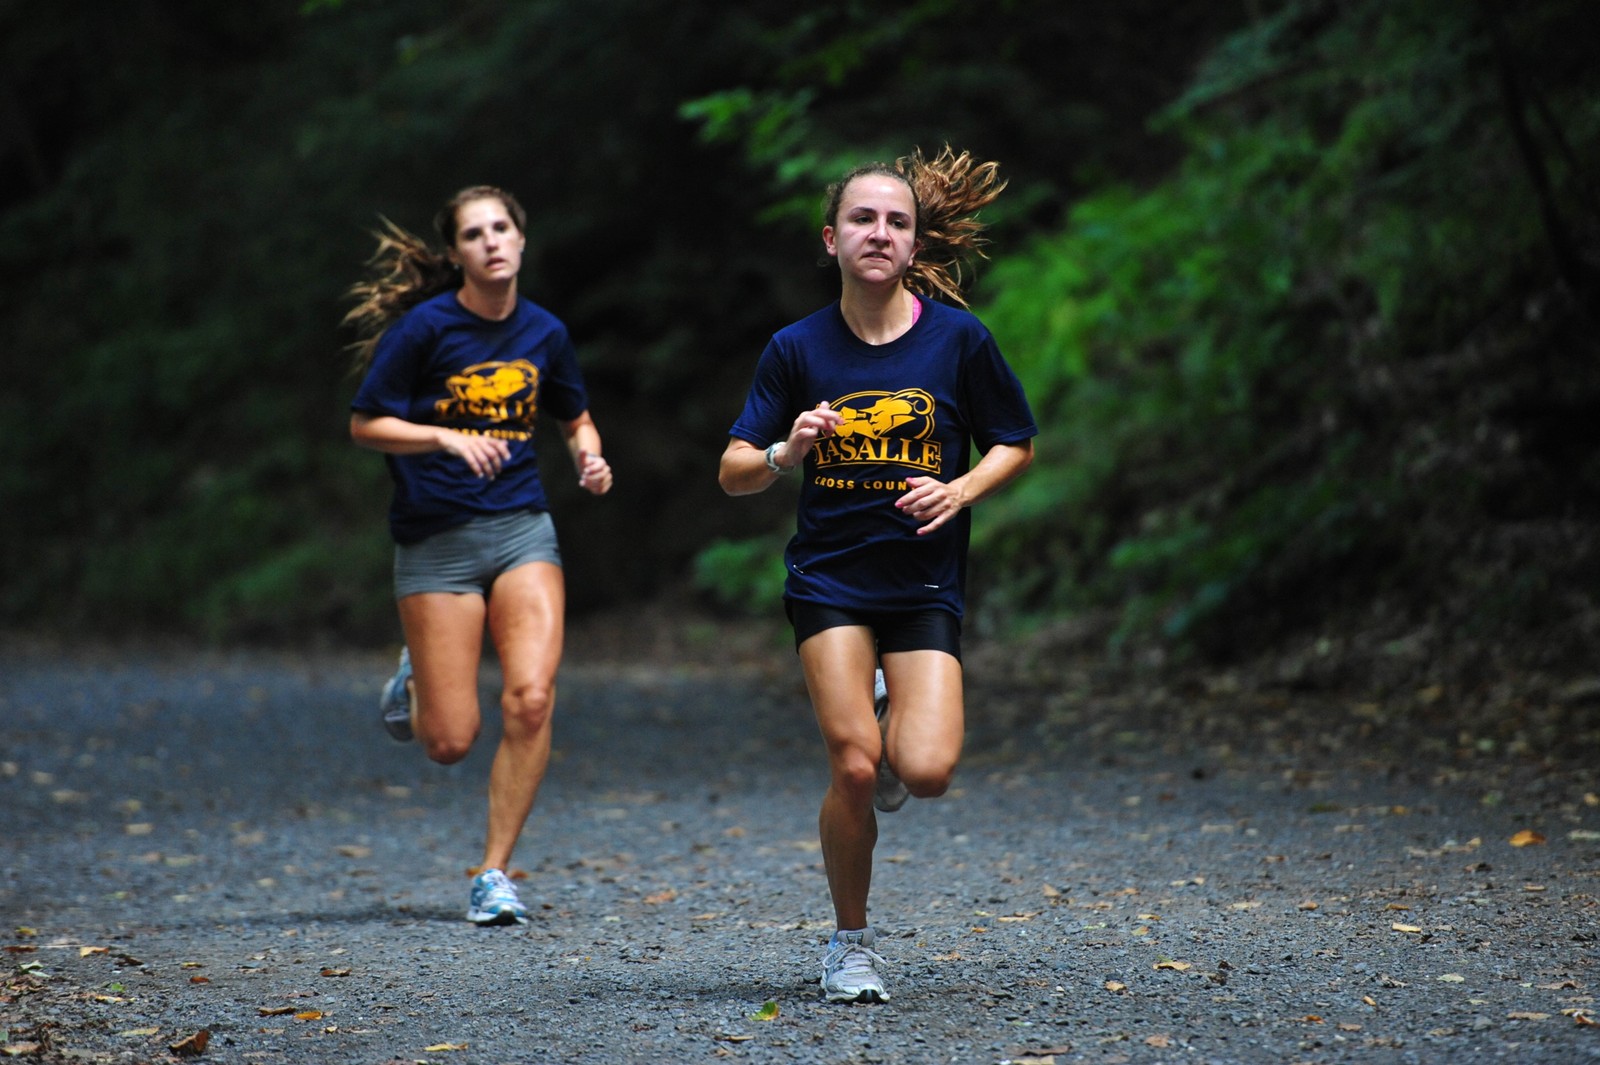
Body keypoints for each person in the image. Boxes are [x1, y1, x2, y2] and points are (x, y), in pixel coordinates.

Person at [718, 147, 1036, 1002]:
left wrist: (960, 488)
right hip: (830, 582)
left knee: (924, 770)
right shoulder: (796, 348)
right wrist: (787, 449)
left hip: (924, 583)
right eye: (862, 218)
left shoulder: (959, 341)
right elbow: (733, 468)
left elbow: (1015, 442)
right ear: (832, 239)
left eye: (897, 222)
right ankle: (850, 944)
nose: (880, 233)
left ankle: (892, 713)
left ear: (914, 244)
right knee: (855, 768)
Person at [344, 185, 613, 926]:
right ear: (457, 252)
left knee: (532, 697)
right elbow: (365, 424)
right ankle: (417, 673)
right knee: (447, 741)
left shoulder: (545, 331)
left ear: (522, 241)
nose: (491, 241)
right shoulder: (424, 330)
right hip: (435, 541)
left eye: (501, 228)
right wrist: (444, 436)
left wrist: (590, 457)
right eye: (474, 233)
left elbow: (575, 417)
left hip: (522, 528)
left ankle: (493, 871)